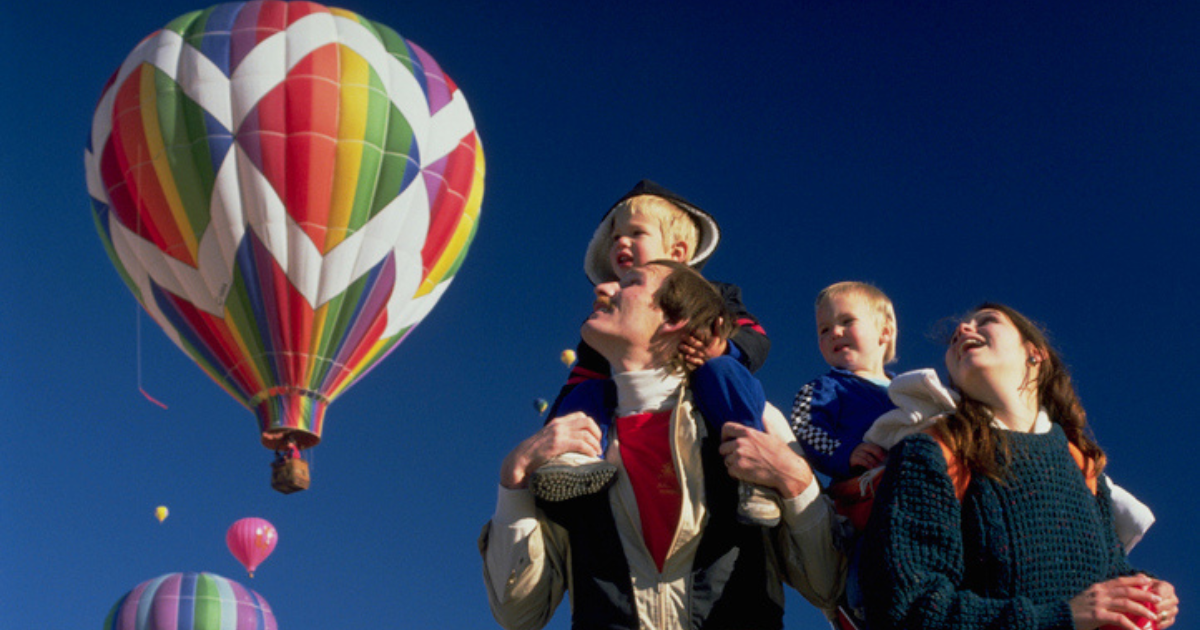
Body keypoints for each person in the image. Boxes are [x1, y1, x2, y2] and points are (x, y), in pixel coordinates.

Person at [480, 261, 845, 630]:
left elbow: (827, 586)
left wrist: (798, 481)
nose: (602, 290)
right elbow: (519, 613)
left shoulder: (757, 421)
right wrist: (514, 481)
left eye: (630, 283)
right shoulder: (570, 449)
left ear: (674, 320)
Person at [860, 303, 1179, 630]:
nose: (962, 331)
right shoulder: (932, 450)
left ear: (1035, 354)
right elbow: (905, 607)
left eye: (986, 321)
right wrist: (1061, 617)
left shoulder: (1082, 466)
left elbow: (1111, 570)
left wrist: (1149, 592)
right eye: (956, 334)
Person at [531, 180, 770, 506]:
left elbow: (754, 334)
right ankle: (574, 460)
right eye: (615, 237)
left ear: (677, 252)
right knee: (587, 393)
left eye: (636, 233)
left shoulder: (715, 295)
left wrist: (723, 347)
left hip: (700, 398)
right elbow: (578, 380)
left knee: (724, 372)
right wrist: (550, 433)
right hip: (630, 408)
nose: (621, 243)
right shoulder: (607, 323)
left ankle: (751, 456)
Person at [787, 281, 898, 627]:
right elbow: (805, 429)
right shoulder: (824, 389)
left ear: (885, 331)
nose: (834, 332)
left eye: (847, 321)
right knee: (870, 560)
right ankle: (858, 612)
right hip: (862, 503)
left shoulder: (911, 392)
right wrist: (846, 451)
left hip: (913, 495)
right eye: (824, 329)